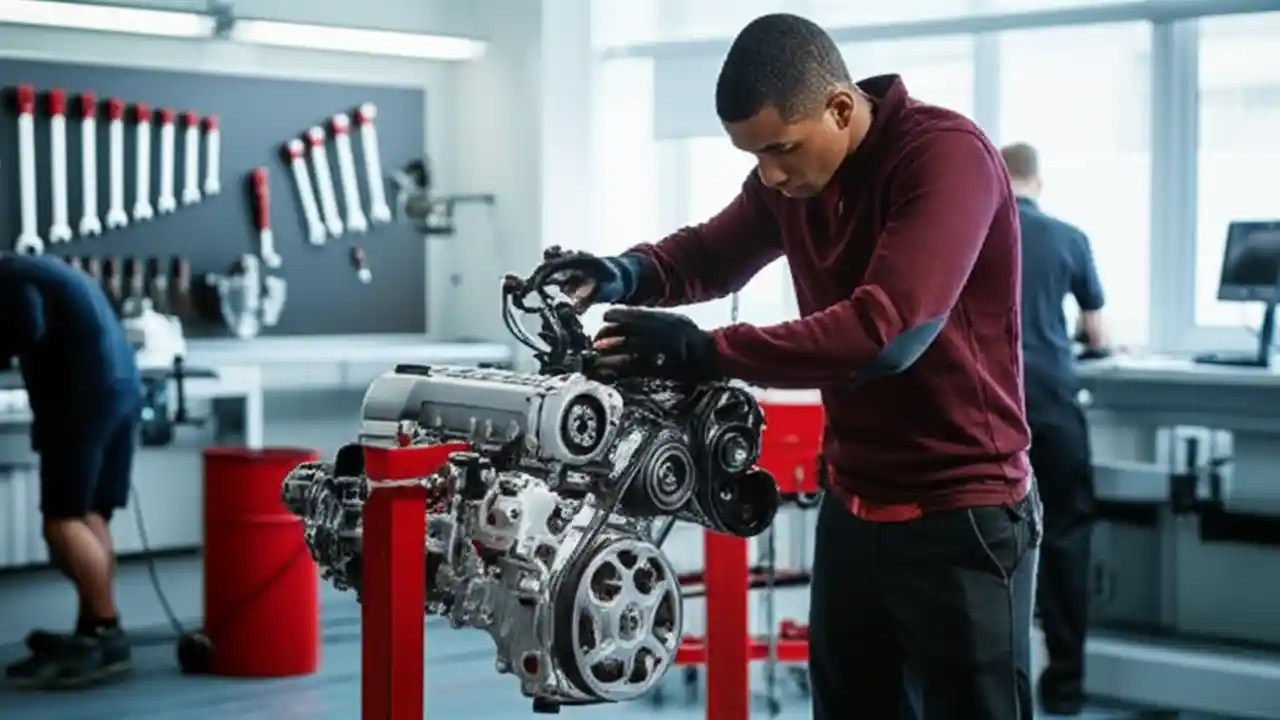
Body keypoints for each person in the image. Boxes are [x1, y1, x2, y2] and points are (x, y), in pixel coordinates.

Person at [535, 13, 1042, 719]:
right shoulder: (790, 179)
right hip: (855, 502)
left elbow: (883, 334)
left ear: (840, 108)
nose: (770, 175)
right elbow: (711, 253)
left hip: (962, 514)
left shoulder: (943, 157)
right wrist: (621, 273)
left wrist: (706, 353)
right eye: (754, 158)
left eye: (781, 150)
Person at [1, 254, 142, 689]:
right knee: (89, 514)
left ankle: (103, 628)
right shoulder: (31, 268)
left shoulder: (7, 280)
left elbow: (27, 324)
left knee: (61, 523)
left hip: (83, 398)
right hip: (119, 387)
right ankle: (96, 631)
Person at [1002, 142, 1108, 715]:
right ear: (1037, 181)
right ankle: (1065, 689)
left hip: (992, 410)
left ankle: (1001, 685)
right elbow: (1096, 333)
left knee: (996, 545)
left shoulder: (979, 230)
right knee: (1066, 539)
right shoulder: (1069, 237)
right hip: (1054, 406)